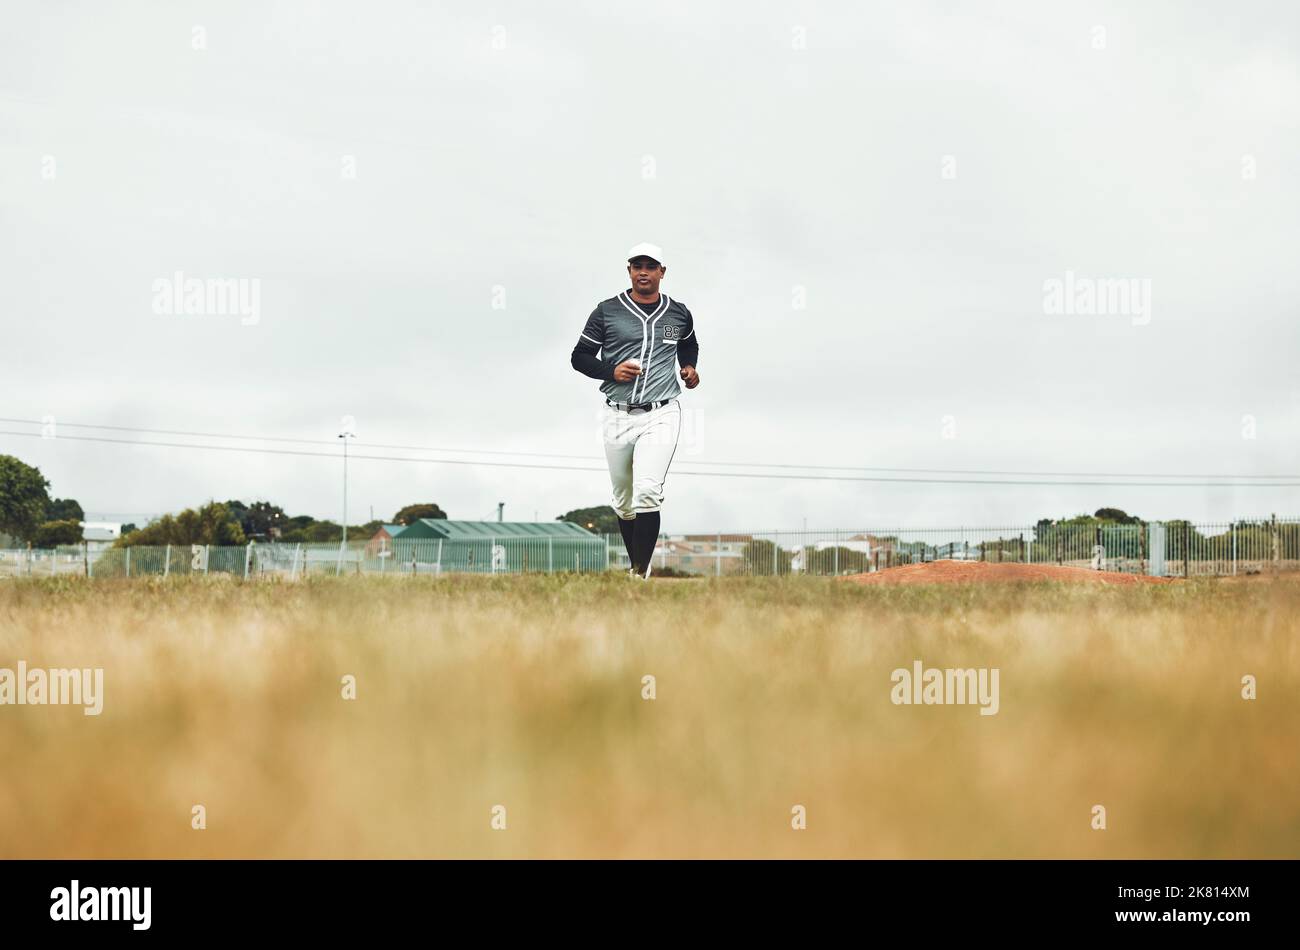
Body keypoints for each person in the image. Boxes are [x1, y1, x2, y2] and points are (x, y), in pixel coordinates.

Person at [570, 242, 700, 578]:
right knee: (623, 502)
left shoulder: (677, 312)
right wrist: (610, 371)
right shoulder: (607, 310)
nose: (643, 272)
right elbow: (579, 357)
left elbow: (688, 342)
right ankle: (635, 566)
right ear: (629, 270)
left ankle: (638, 576)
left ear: (662, 272)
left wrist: (689, 366)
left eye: (651, 266)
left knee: (647, 491)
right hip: (617, 413)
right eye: (637, 266)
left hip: (662, 411)